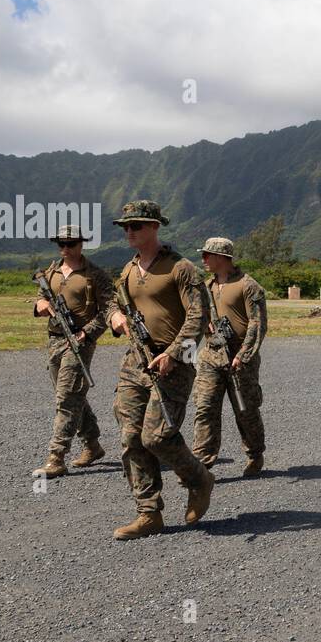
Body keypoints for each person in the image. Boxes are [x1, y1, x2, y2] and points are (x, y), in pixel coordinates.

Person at [107, 200, 214, 540]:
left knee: (156, 436)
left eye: (136, 225)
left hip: (175, 364)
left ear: (154, 226)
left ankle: (199, 478)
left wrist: (172, 352)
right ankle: (148, 512)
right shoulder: (127, 270)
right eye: (125, 226)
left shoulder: (180, 268)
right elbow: (114, 302)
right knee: (130, 437)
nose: (129, 231)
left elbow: (199, 317)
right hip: (135, 362)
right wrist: (115, 317)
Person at [33, 224, 115, 478]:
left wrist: (86, 333)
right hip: (55, 339)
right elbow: (39, 298)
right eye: (61, 244)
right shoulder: (51, 271)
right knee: (73, 394)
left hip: (79, 343)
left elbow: (109, 310)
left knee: (67, 398)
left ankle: (56, 457)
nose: (65, 249)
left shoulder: (95, 275)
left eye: (71, 244)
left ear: (81, 244)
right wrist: (42, 304)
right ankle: (93, 445)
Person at [191, 237, 268, 477]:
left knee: (245, 410)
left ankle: (255, 454)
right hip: (212, 356)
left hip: (239, 358)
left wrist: (243, 356)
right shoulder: (207, 287)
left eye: (207, 255)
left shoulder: (248, 286)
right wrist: (206, 328)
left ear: (222, 257)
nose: (203, 259)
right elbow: (198, 319)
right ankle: (202, 463)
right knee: (205, 407)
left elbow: (257, 325)